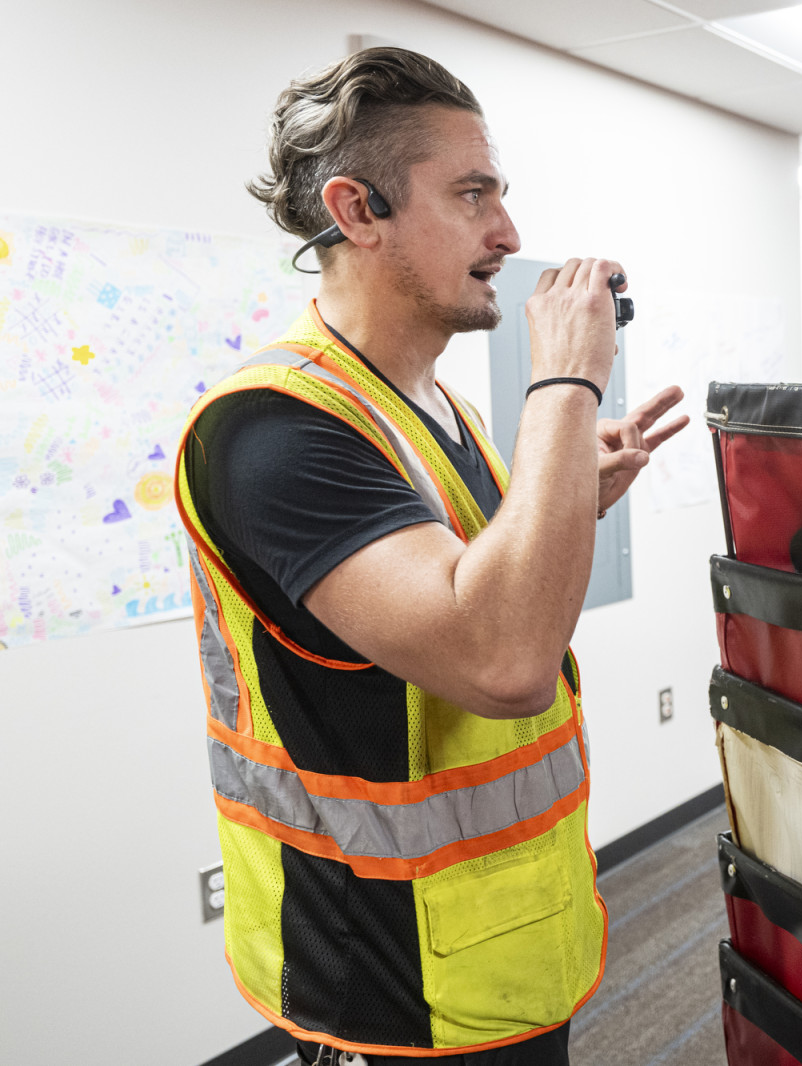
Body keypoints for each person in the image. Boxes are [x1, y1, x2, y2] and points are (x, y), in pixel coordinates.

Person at [173, 48, 688, 1063]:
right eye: (471, 194)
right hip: (387, 979)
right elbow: (503, 661)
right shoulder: (275, 432)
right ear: (357, 211)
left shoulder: (433, 409)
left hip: (503, 946)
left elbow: (484, 599)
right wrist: (565, 383)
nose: (509, 233)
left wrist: (566, 497)